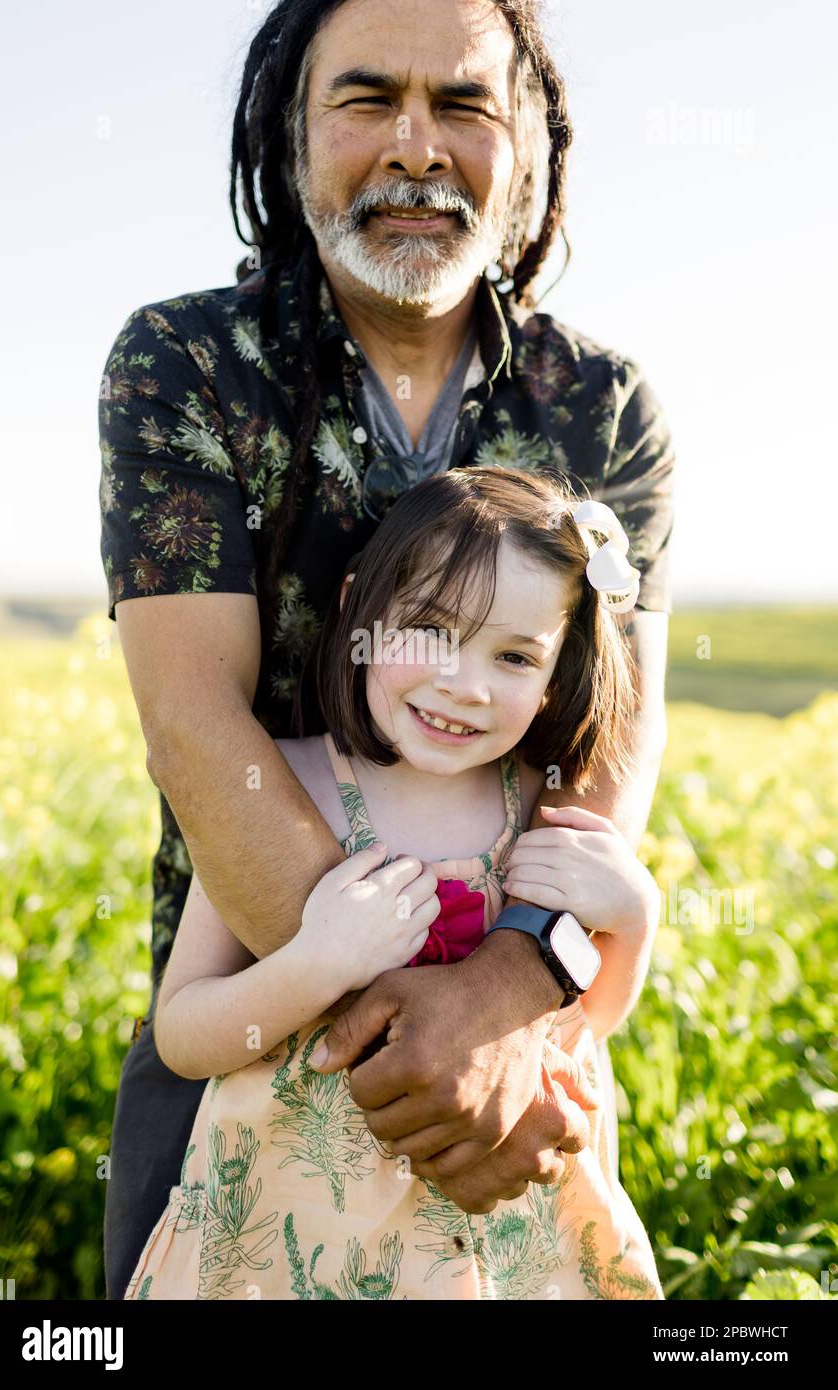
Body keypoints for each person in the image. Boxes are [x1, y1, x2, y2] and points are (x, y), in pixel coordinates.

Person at [99, 0, 674, 1300]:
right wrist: (410, 1040)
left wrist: (510, 1000)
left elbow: (614, 736)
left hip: (520, 1058)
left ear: (523, 141)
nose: (417, 146)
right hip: (252, 1033)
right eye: (366, 99)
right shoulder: (187, 365)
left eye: (462, 104)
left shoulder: (603, 406)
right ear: (288, 132)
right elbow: (196, 725)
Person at [124, 467, 663, 1300]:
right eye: (431, 631)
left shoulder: (543, 814)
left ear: (559, 674)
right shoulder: (284, 790)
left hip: (497, 1235)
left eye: (515, 655)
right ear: (357, 610)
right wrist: (316, 964)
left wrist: (635, 920)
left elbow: (583, 1034)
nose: (465, 685)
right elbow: (185, 1034)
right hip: (293, 1234)